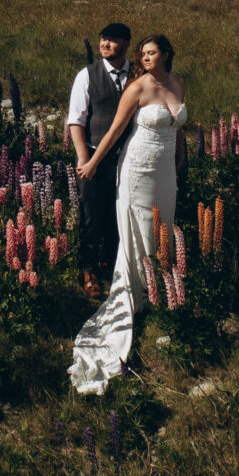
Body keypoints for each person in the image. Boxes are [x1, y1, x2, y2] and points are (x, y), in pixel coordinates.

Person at [67, 33, 186, 396]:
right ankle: (137, 291)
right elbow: (116, 130)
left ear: (166, 54)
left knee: (163, 227)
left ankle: (158, 288)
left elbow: (179, 131)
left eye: (152, 53)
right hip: (137, 169)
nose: (146, 58)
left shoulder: (178, 84)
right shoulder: (136, 88)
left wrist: (182, 163)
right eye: (143, 54)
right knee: (139, 229)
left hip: (165, 170)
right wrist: (90, 163)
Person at [67, 22, 134, 299]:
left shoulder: (138, 76)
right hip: (95, 157)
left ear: (126, 44)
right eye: (102, 39)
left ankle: (115, 266)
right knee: (91, 215)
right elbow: (76, 120)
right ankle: (88, 269)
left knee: (121, 215)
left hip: (130, 159)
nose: (105, 44)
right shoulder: (87, 75)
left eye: (112, 40)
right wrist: (85, 158)